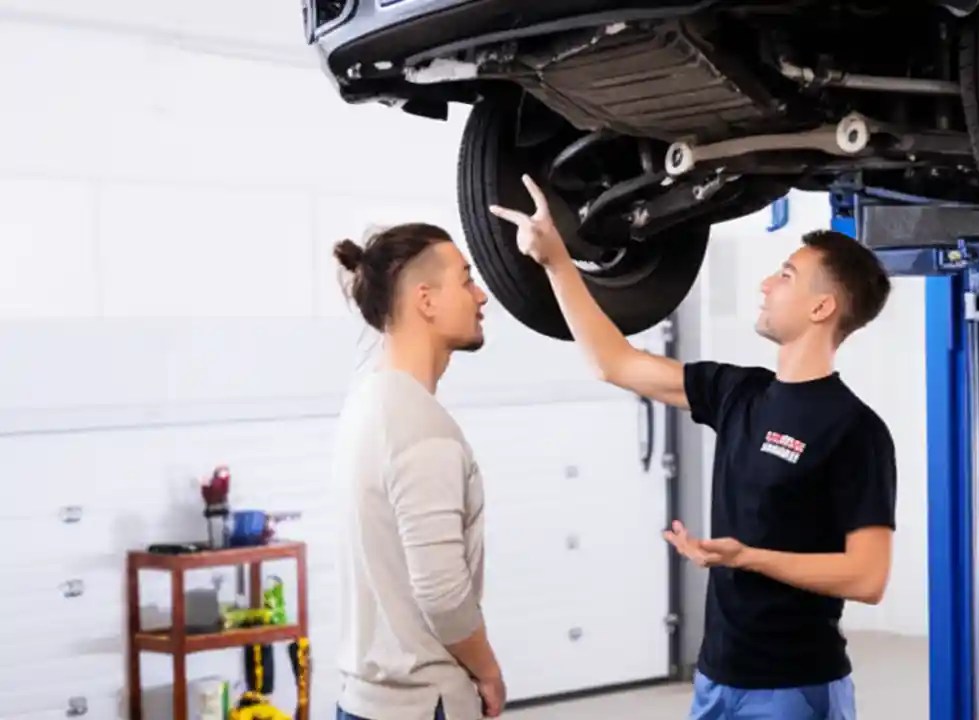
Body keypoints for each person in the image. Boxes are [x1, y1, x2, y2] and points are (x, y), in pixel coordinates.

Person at [491, 177, 897, 720]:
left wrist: (748, 558)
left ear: (822, 307)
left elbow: (867, 577)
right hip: (717, 679)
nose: (765, 284)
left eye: (785, 275)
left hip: (793, 689)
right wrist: (557, 262)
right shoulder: (738, 393)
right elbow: (613, 363)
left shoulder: (855, 429)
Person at [330, 223, 505, 720]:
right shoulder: (421, 429)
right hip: (421, 704)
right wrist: (488, 671)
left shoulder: (367, 402)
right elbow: (443, 594)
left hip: (362, 700)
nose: (482, 296)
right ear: (425, 300)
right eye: (467, 279)